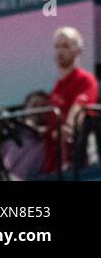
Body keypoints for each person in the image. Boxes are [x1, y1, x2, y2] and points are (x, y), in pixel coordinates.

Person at [42, 26, 98, 173]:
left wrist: (69, 125)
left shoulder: (86, 80)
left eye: (66, 46)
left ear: (78, 50)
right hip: (53, 167)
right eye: (57, 46)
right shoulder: (57, 86)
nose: (60, 51)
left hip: (75, 167)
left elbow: (79, 108)